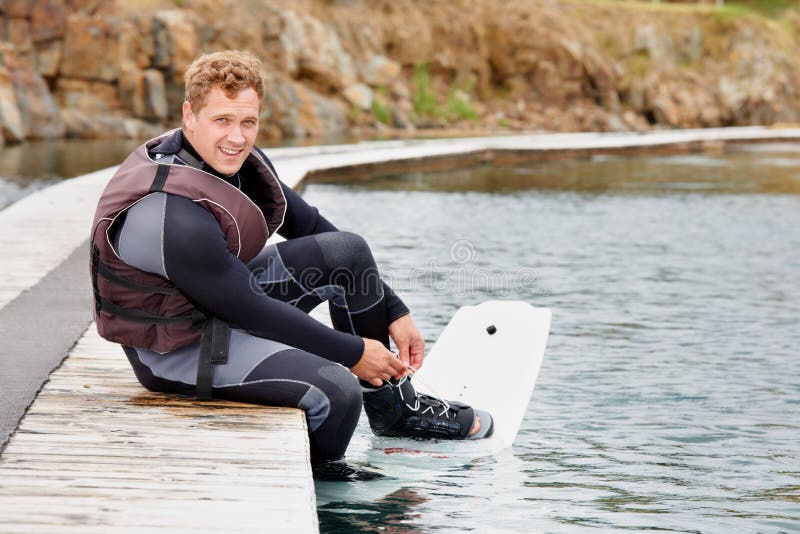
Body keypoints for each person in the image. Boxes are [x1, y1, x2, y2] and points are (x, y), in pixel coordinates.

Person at [89, 50, 492, 465]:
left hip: (223, 304)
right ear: (189, 115)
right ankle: (329, 497)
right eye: (222, 120)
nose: (237, 137)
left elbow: (313, 227)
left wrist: (394, 308)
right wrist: (354, 353)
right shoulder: (172, 214)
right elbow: (251, 310)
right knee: (335, 389)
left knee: (347, 252)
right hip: (178, 350)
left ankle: (395, 411)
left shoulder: (236, 160)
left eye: (249, 122)